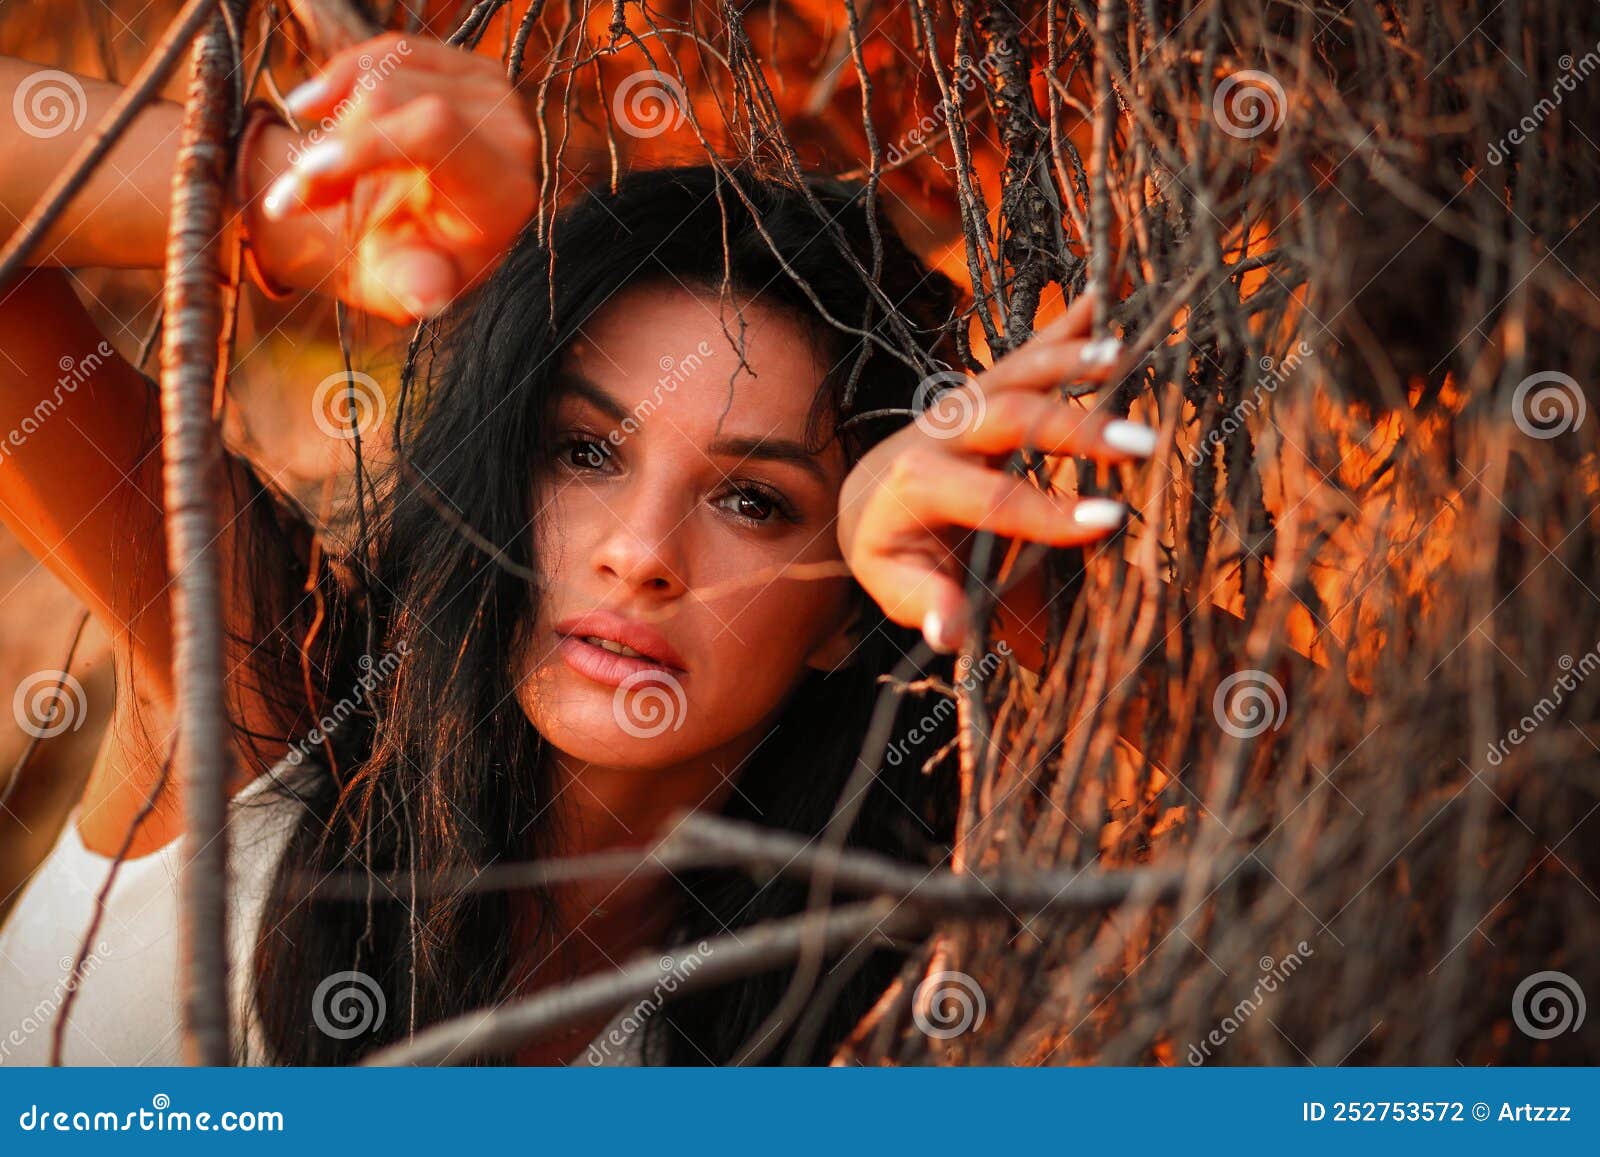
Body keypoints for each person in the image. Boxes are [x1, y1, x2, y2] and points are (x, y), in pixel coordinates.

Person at [0, 34, 1153, 1065]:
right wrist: (278, 195)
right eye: (585, 454)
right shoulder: (275, 695)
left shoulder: (849, 991)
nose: (640, 556)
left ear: (850, 613)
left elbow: (1317, 881)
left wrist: (1003, 575)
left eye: (752, 499)